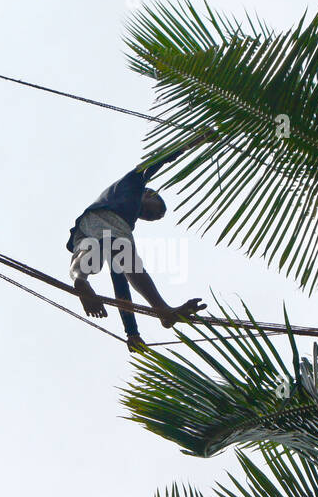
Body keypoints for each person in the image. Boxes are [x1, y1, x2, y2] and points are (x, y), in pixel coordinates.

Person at [67, 129, 214, 351]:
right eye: (157, 212)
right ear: (149, 194)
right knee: (122, 259)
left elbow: (121, 286)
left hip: (87, 227)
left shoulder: (121, 232)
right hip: (106, 218)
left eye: (155, 219)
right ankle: (162, 309)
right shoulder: (134, 183)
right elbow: (162, 157)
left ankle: (80, 280)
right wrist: (196, 140)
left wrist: (131, 332)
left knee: (92, 255)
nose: (154, 217)